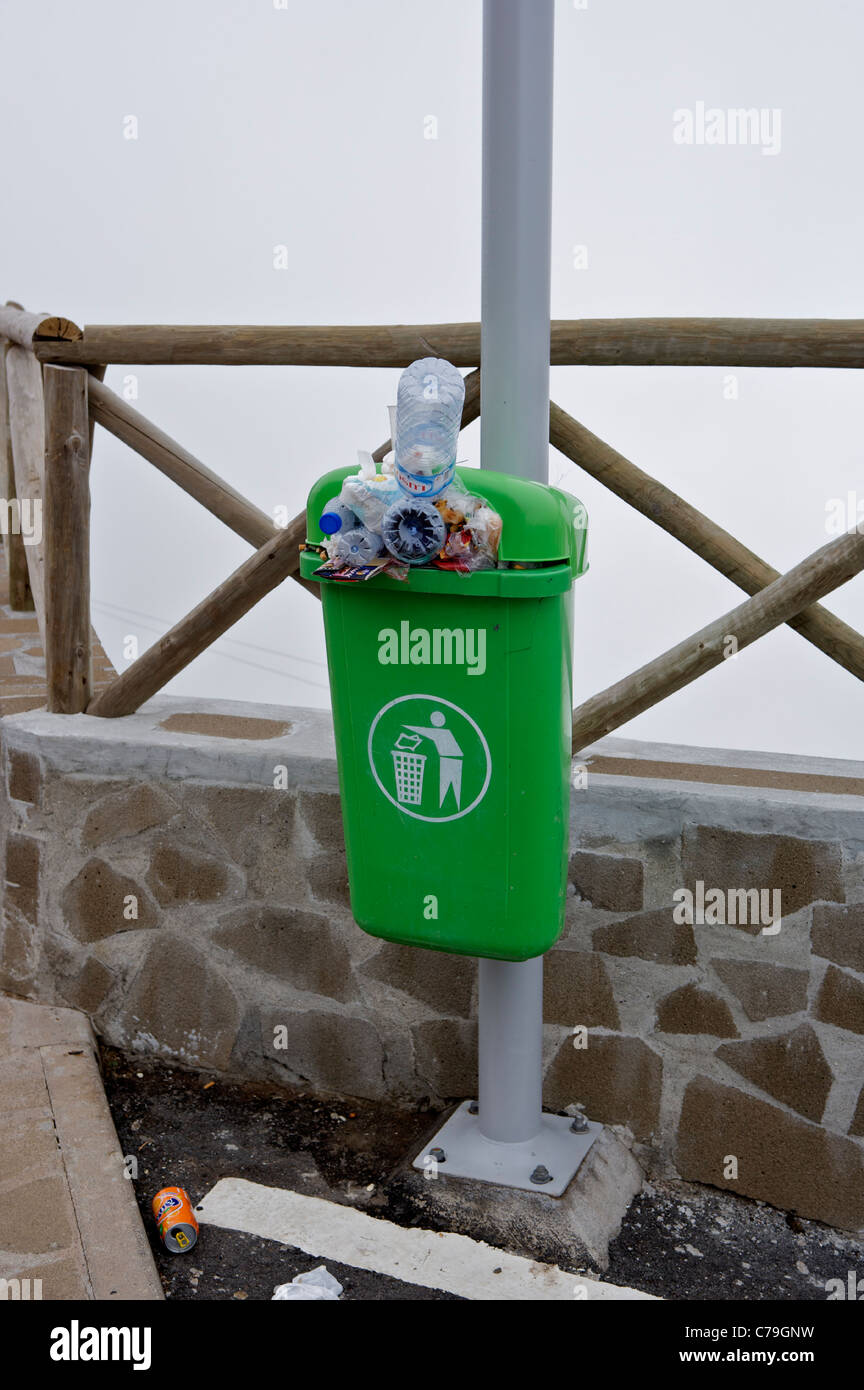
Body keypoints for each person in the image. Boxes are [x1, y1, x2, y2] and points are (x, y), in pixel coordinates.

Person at [403, 710, 463, 810]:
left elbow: (424, 731)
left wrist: (407, 727)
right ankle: (448, 808)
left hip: (450, 761)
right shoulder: (445, 732)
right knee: (450, 789)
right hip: (453, 760)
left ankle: (448, 808)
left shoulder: (442, 733)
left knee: (449, 788)